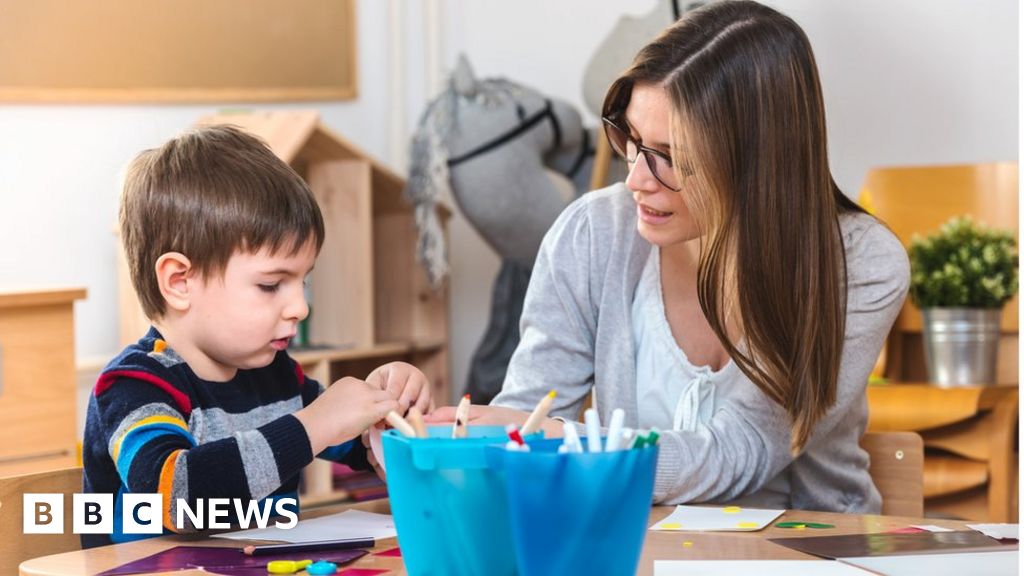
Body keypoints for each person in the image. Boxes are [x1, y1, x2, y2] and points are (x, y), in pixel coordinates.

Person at [428, 0, 909, 513]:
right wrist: (462, 443)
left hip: (813, 550)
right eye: (631, 140)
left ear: (759, 160)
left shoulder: (859, 265)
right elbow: (527, 417)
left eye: (671, 157)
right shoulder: (594, 231)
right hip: (636, 544)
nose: (635, 178)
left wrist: (573, 446)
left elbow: (743, 448)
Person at [82, 125, 431, 547]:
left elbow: (354, 444)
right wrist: (315, 424)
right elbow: (176, 499)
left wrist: (385, 416)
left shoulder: (277, 375)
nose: (300, 307)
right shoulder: (133, 385)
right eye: (271, 285)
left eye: (303, 282)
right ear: (179, 282)